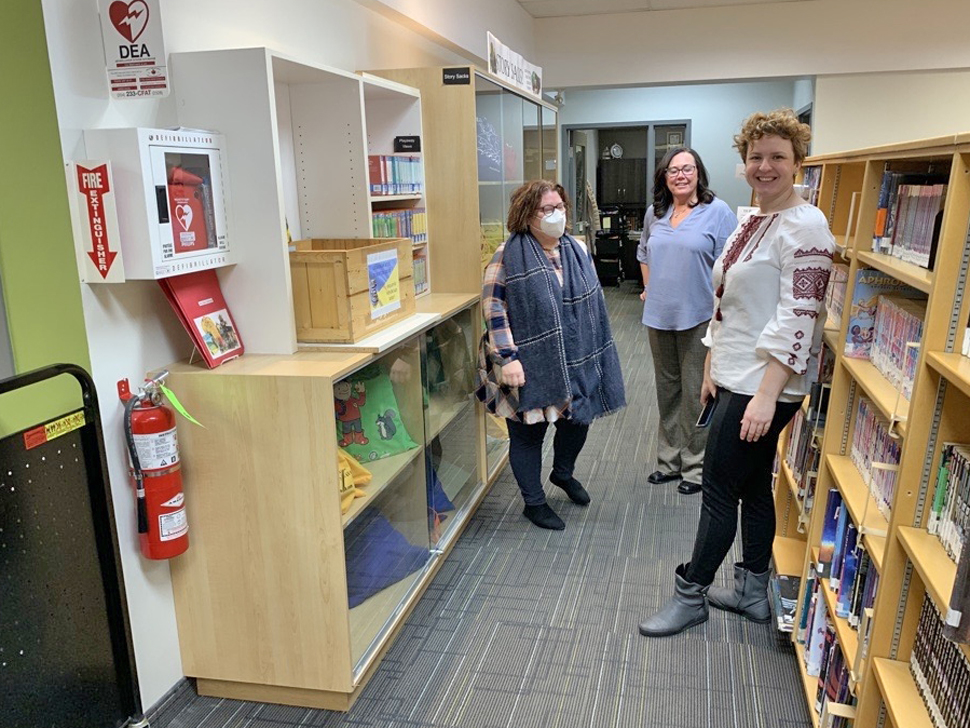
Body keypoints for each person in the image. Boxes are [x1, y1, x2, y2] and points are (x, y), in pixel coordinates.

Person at [638, 109, 834, 637]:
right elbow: (727, 302)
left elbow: (800, 316)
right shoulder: (754, 217)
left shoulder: (806, 226)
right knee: (751, 488)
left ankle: (692, 594)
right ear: (744, 163)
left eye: (778, 157)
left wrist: (767, 397)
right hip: (736, 374)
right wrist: (711, 364)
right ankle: (751, 591)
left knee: (719, 490)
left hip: (764, 384)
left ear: (797, 163)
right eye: (756, 157)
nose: (765, 166)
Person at [479, 180, 626, 530]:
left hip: (576, 357)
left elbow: (594, 303)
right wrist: (508, 357)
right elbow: (493, 307)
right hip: (526, 362)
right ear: (527, 214)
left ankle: (562, 473)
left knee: (579, 420)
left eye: (559, 207)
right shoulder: (507, 255)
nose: (556, 214)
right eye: (547, 209)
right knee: (528, 434)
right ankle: (534, 503)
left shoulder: (576, 249)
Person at [638, 147, 737, 495]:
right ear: (664, 176)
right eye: (673, 170)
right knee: (667, 392)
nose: (681, 175)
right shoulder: (656, 213)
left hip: (698, 317)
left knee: (698, 393)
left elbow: (730, 265)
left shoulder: (718, 211)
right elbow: (644, 253)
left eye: (688, 169)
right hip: (658, 316)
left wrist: (722, 310)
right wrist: (649, 289)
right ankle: (668, 462)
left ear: (698, 173)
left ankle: (694, 468)